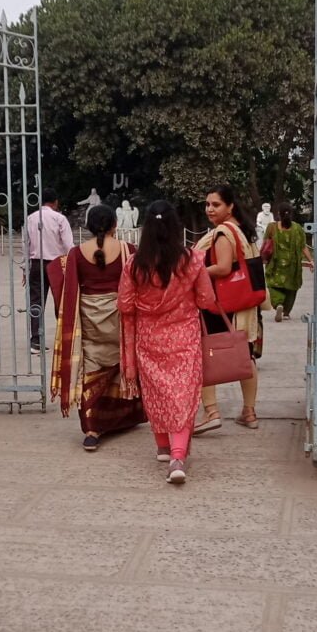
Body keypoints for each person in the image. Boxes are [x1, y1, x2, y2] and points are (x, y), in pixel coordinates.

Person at [117, 199, 217, 484]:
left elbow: (124, 304)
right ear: (176, 228)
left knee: (157, 392)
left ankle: (162, 446)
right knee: (182, 396)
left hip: (149, 338)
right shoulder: (193, 260)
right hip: (184, 338)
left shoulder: (134, 264)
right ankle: (177, 456)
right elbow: (206, 300)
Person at [47, 203, 145, 450]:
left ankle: (92, 429)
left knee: (90, 369)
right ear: (115, 224)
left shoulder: (76, 254)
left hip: (88, 319)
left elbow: (66, 291)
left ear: (88, 226)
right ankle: (123, 418)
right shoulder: (129, 250)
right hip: (120, 319)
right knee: (121, 365)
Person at [194, 184, 262, 433]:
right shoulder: (242, 230)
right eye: (208, 204)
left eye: (216, 205)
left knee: (205, 354)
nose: (209, 209)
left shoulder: (223, 233)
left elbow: (222, 268)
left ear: (230, 206)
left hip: (223, 303)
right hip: (244, 303)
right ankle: (249, 412)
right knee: (245, 355)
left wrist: (194, 272)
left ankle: (211, 412)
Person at [22, 192, 73, 353]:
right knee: (62, 301)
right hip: (57, 263)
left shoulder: (31, 218)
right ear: (55, 202)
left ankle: (35, 341)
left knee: (36, 301)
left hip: (36, 263)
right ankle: (64, 339)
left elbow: (26, 245)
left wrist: (25, 268)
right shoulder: (60, 219)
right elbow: (68, 244)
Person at [263, 203, 313, 321]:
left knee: (273, 285)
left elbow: (265, 244)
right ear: (291, 214)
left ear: (278, 214)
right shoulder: (297, 229)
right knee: (291, 288)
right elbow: (303, 247)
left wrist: (263, 258)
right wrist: (311, 261)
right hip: (292, 265)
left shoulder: (271, 227)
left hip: (275, 265)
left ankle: (278, 304)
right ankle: (286, 312)